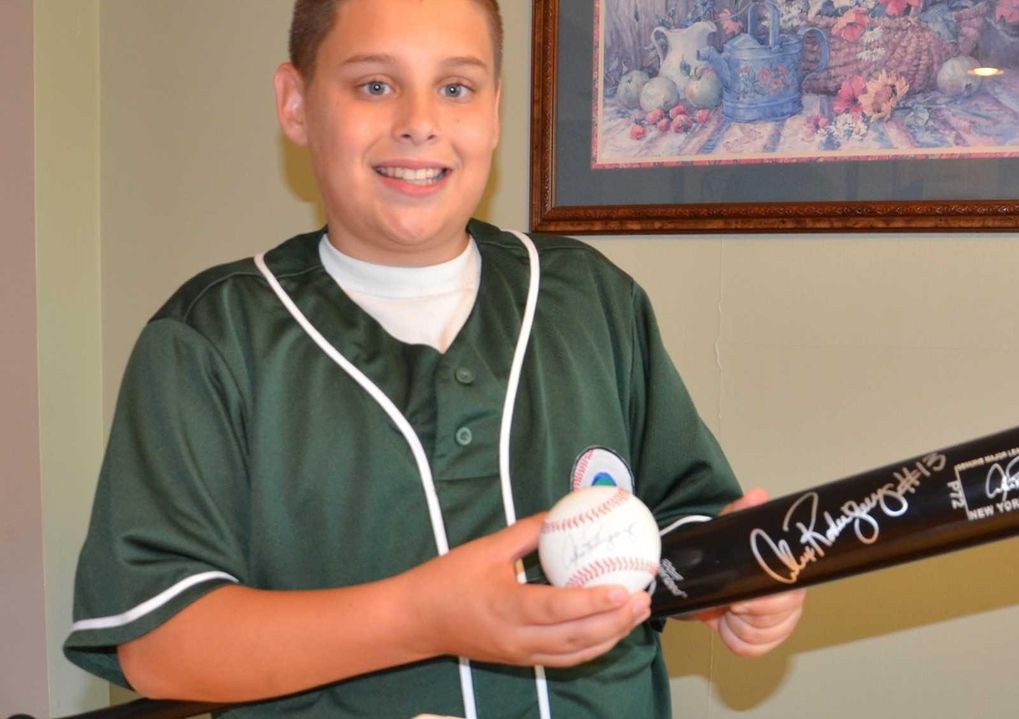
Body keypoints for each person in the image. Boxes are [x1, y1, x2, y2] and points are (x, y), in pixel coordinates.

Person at [63, 0, 804, 716]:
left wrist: (738, 582)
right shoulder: (213, 337)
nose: (419, 124)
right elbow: (158, 646)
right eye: (375, 85)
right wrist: (421, 616)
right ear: (295, 104)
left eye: (456, 88)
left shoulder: (590, 298)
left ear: (494, 110)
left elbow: (686, 522)